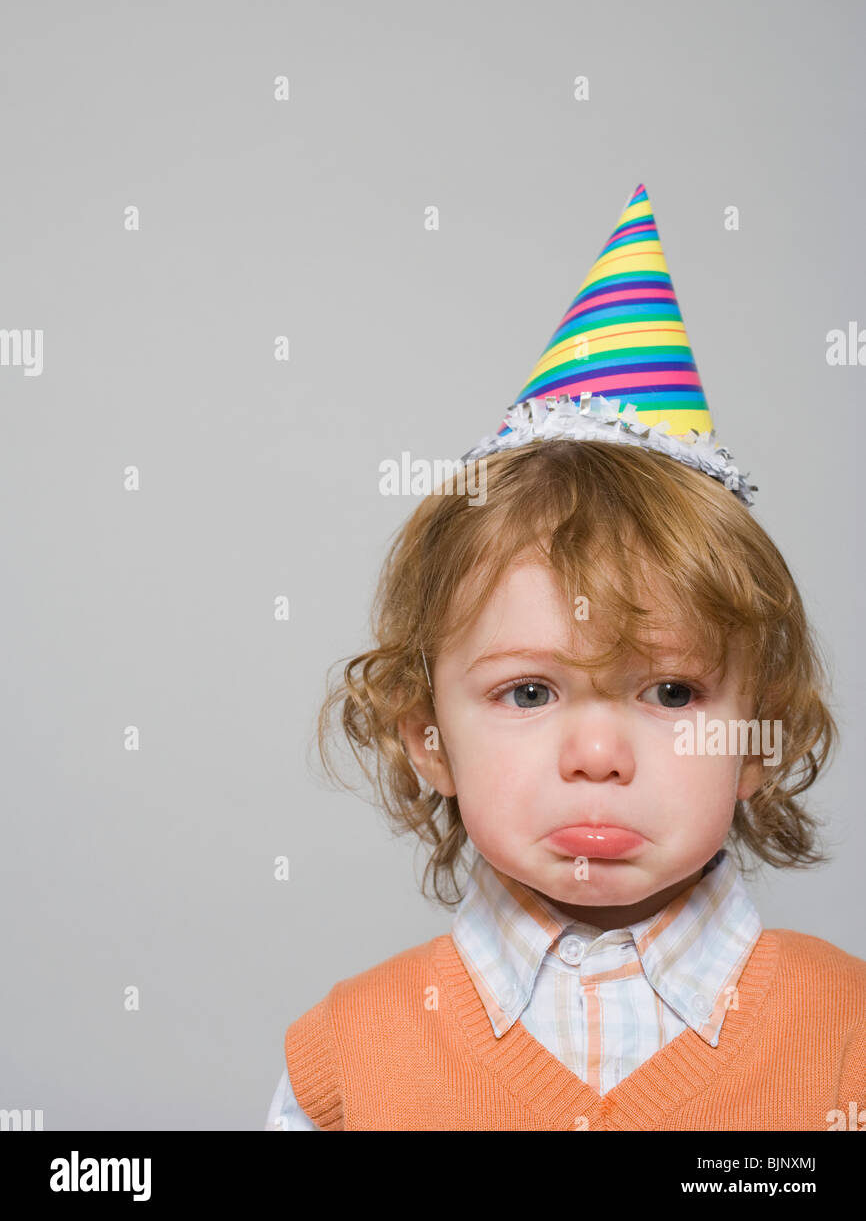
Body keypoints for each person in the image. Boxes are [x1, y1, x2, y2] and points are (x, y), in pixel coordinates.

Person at [265, 184, 866, 1131]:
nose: (597, 755)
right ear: (427, 735)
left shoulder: (848, 1045)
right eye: (529, 690)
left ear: (761, 739)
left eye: (671, 690)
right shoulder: (351, 1064)